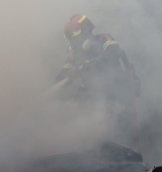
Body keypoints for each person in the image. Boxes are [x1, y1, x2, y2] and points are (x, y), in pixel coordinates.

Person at [57, 14, 139, 143]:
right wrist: (67, 74)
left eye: (75, 39)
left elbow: (114, 51)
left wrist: (93, 63)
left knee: (120, 135)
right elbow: (60, 77)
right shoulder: (75, 55)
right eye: (71, 40)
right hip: (93, 99)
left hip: (115, 94)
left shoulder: (103, 39)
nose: (73, 44)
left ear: (86, 32)